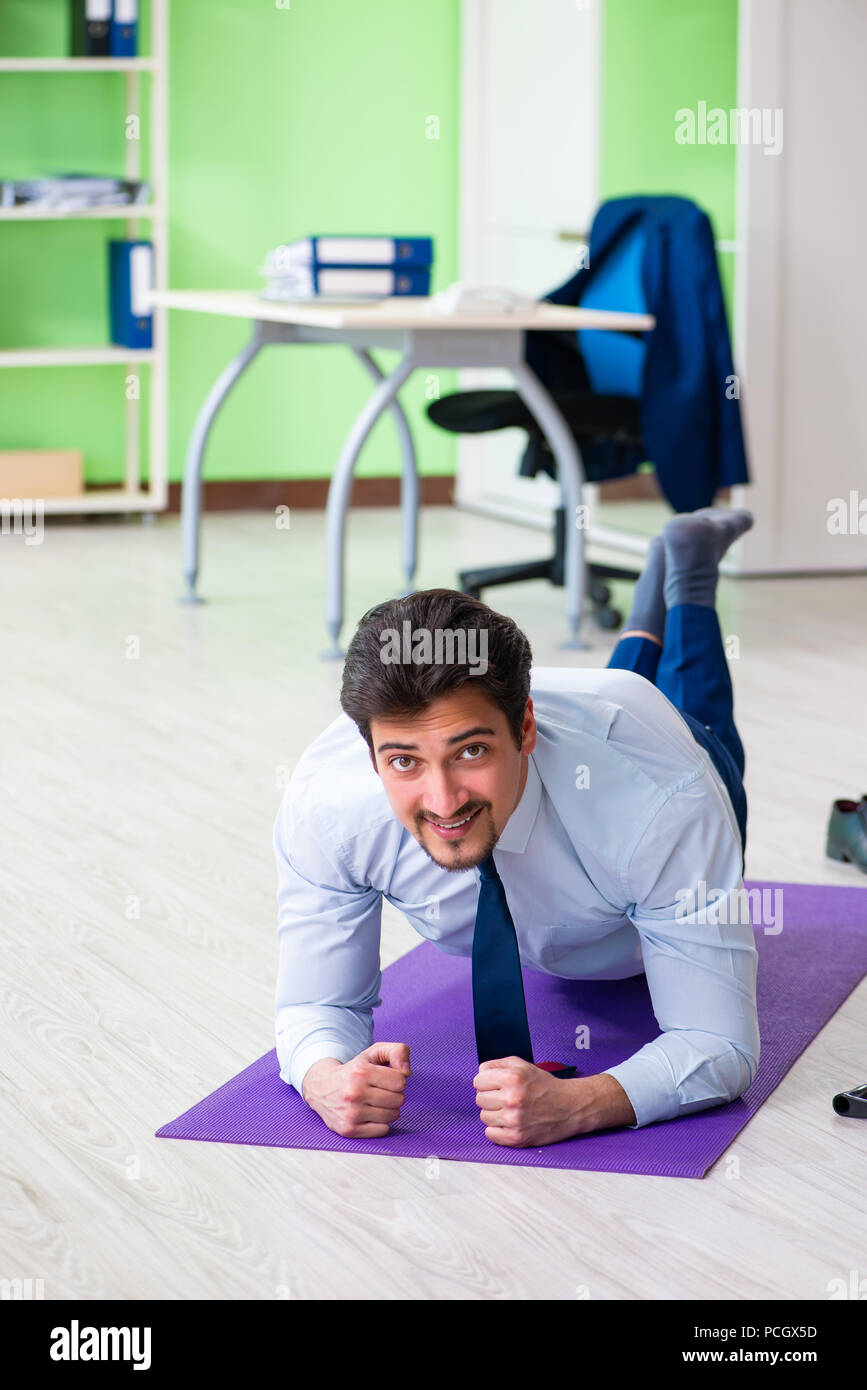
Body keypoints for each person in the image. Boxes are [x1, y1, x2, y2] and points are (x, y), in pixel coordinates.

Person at [273, 507, 759, 1147]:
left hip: (654, 748)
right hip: (589, 726)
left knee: (697, 714)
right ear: (370, 756)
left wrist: (584, 1103)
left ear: (524, 728)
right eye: (404, 762)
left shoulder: (660, 798)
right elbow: (314, 1005)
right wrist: (325, 1077)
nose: (443, 800)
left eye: (470, 751)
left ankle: (689, 577)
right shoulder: (329, 808)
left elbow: (720, 1044)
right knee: (616, 693)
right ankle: (647, 602)